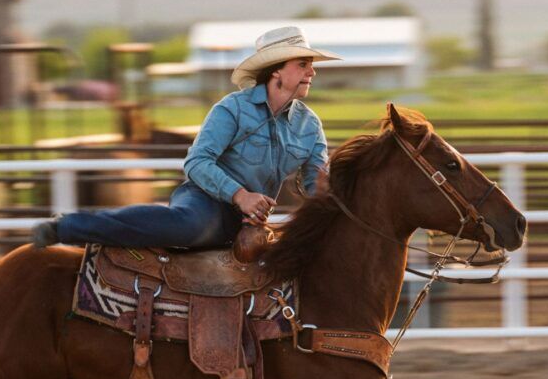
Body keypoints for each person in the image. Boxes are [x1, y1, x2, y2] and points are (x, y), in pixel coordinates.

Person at [32, 26, 340, 250]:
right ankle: (68, 227)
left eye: (311, 65)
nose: (312, 72)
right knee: (187, 225)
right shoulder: (232, 108)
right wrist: (241, 196)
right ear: (276, 71)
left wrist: (330, 190)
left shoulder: (309, 126)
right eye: (303, 64)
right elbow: (196, 162)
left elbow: (315, 185)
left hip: (253, 221)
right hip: (207, 201)